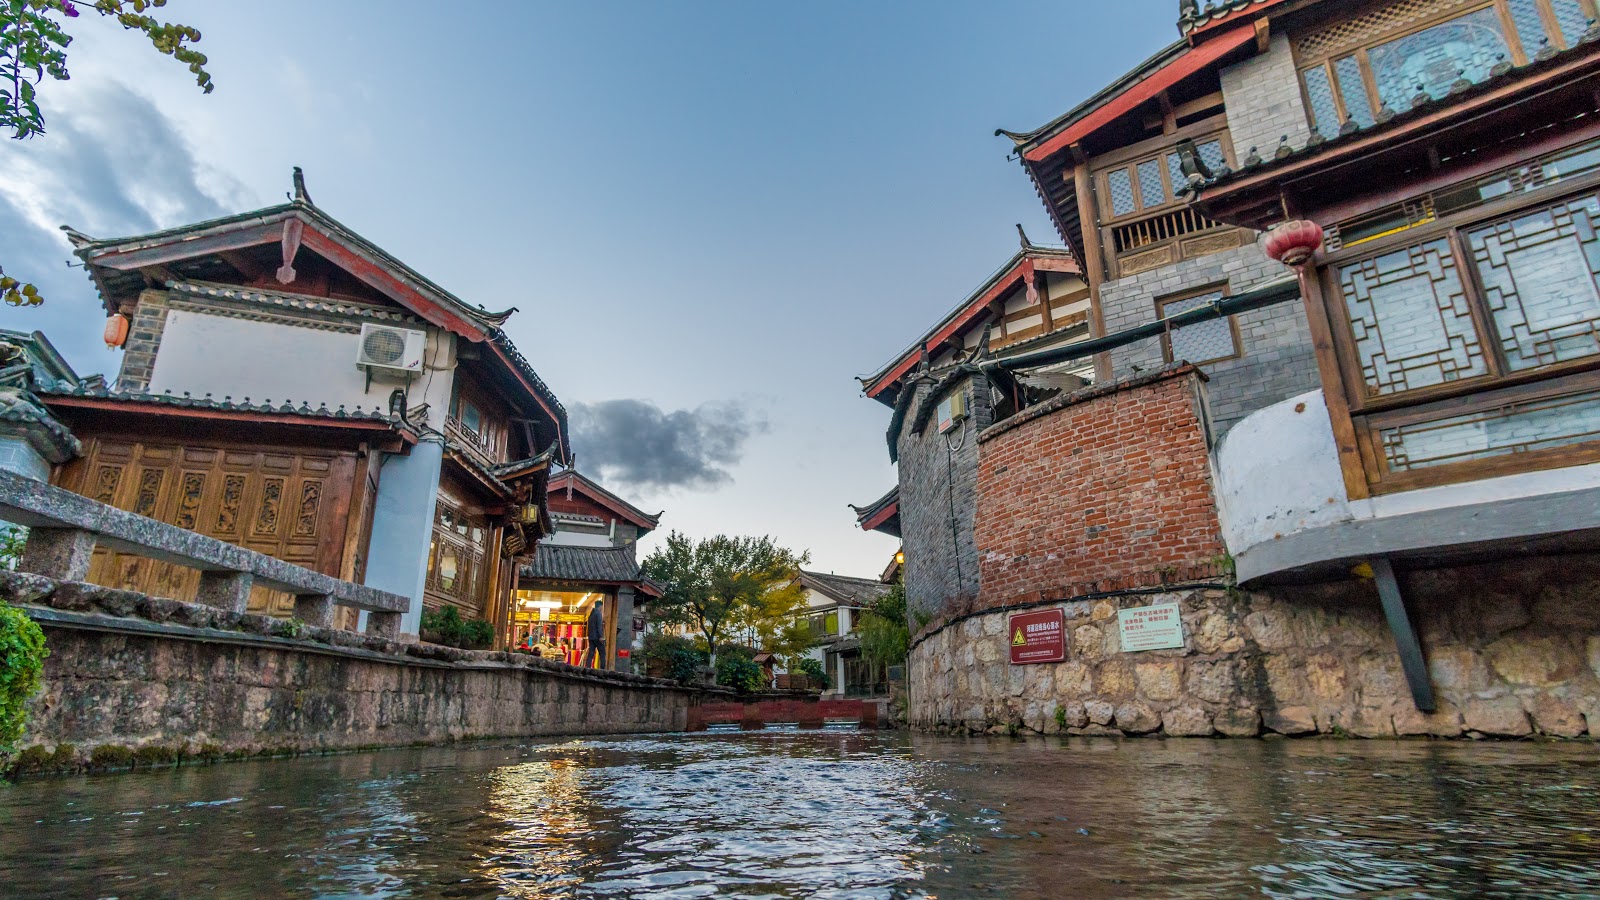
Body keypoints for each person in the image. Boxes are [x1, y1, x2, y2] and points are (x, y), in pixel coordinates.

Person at [583, 599, 607, 669]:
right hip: (597, 637)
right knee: (602, 653)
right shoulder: (598, 613)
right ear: (600, 606)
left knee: (591, 653)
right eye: (602, 606)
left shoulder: (591, 615)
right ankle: (602, 669)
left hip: (591, 637)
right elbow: (599, 626)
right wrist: (601, 637)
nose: (602, 608)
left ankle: (587, 667)